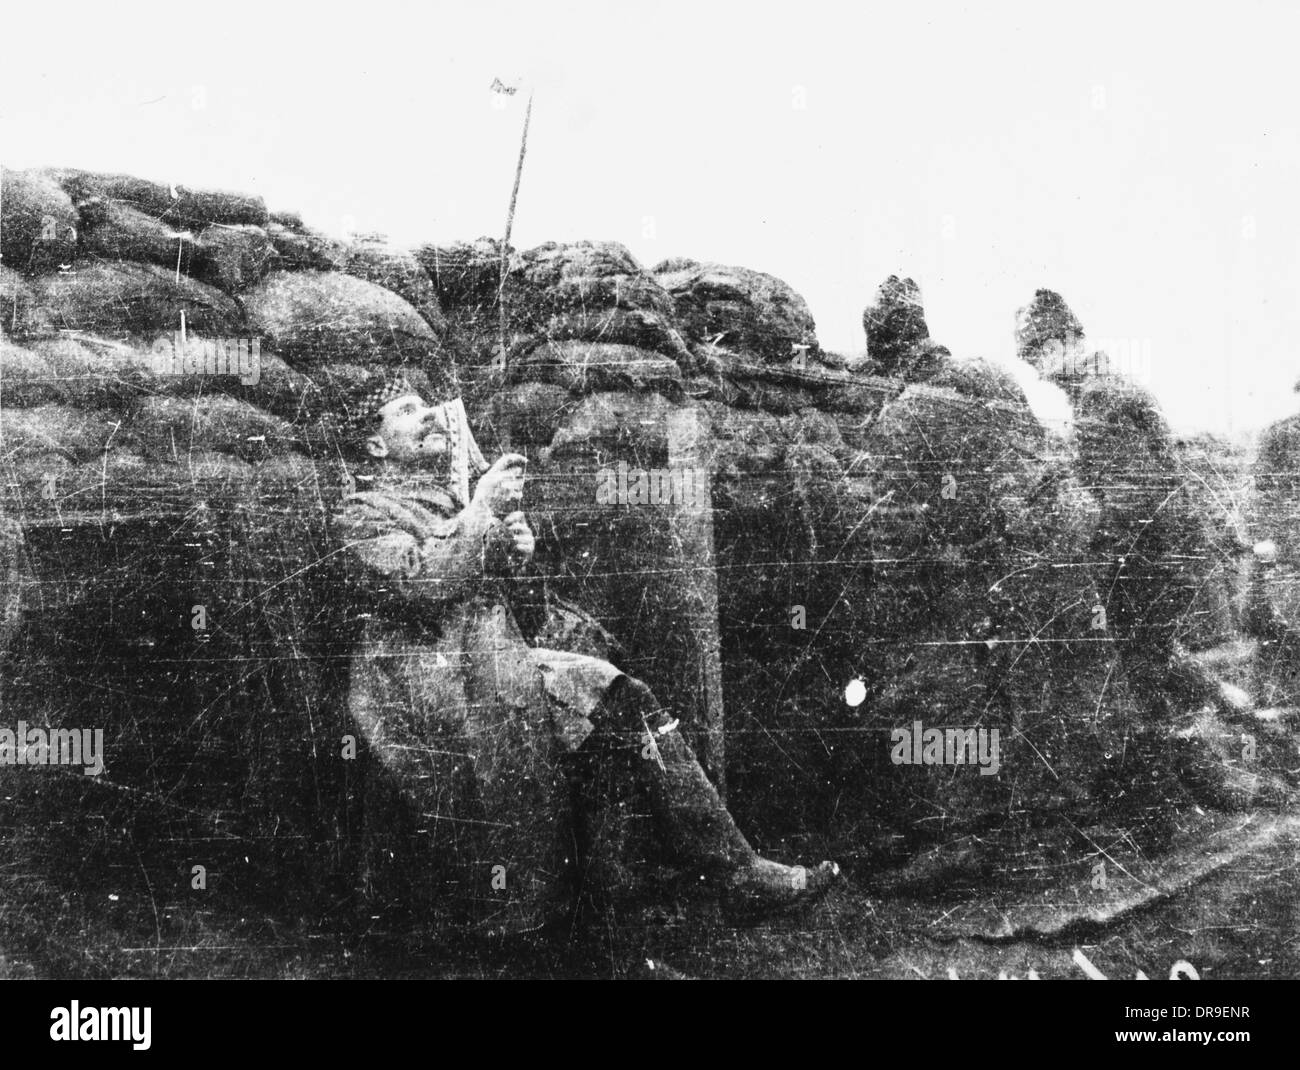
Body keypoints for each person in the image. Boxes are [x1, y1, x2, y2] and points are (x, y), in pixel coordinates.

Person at [329, 369, 839, 935]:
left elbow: (514, 609)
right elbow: (422, 582)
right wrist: (480, 512)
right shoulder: (361, 513)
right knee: (613, 703)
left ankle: (696, 882)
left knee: (621, 700)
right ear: (376, 446)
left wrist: (519, 556)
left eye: (427, 405)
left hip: (492, 666)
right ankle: (719, 879)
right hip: (424, 685)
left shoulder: (448, 499)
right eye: (406, 410)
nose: (428, 415)